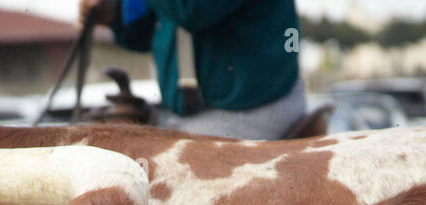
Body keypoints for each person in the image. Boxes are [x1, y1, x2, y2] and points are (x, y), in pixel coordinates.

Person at [80, 0, 306, 140]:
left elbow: (189, 8)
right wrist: (118, 13)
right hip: (195, 114)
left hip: (253, 111)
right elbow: (152, 28)